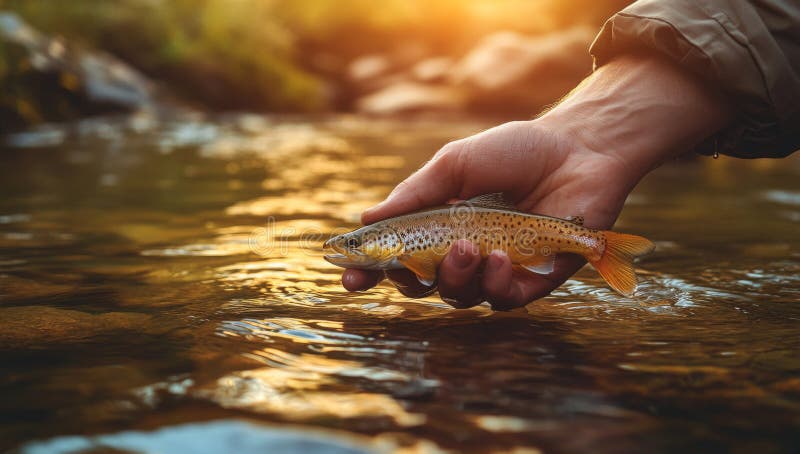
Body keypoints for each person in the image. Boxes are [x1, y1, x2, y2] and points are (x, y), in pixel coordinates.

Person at [340, 0, 800, 310]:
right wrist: (591, 141)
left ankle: (595, 245)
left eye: (355, 244)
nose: (346, 250)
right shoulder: (403, 247)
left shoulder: (403, 242)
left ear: (388, 241)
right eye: (353, 245)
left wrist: (590, 143)